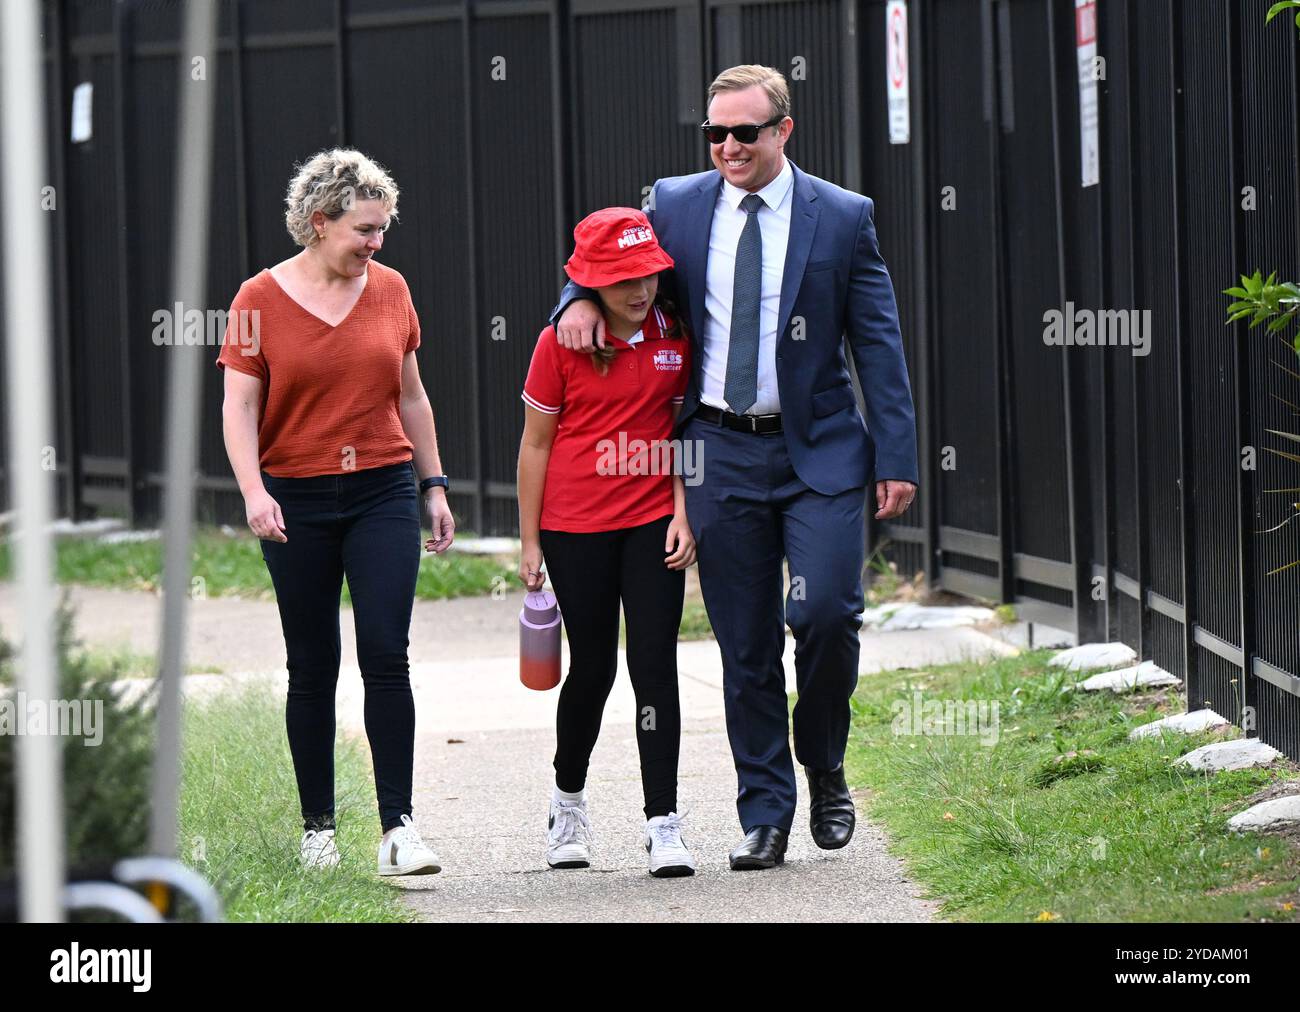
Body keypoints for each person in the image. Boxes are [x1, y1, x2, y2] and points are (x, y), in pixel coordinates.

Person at [551, 66, 919, 870]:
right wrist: (573, 299)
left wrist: (897, 455)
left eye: (743, 133)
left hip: (818, 448)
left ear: (783, 131)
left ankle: (823, 760)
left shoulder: (843, 216)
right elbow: (605, 260)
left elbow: (879, 342)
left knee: (824, 614)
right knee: (744, 642)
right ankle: (766, 813)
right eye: (714, 134)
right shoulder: (677, 203)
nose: (726, 147)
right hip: (715, 450)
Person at [218, 148, 454, 876]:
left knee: (387, 653)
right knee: (312, 663)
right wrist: (255, 492)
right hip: (295, 495)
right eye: (364, 229)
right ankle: (317, 829)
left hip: (381, 487)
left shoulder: (391, 290)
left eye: (382, 228)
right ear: (319, 224)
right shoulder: (257, 299)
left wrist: (433, 483)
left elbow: (410, 394)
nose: (376, 242)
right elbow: (239, 405)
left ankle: (398, 830)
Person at [518, 207, 698, 877]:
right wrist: (529, 542)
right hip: (574, 525)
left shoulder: (675, 331)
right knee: (592, 667)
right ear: (589, 280)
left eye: (649, 274)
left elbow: (685, 431)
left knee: (654, 664)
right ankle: (568, 802)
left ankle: (663, 821)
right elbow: (536, 444)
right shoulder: (558, 341)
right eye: (623, 279)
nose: (640, 289)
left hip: (653, 519)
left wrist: (685, 511)